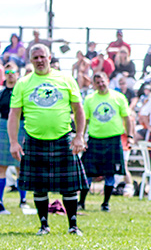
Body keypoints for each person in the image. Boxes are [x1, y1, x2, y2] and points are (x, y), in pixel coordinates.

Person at [8, 44, 88, 236]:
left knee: (69, 187)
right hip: (35, 140)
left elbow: (78, 110)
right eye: (35, 58)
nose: (40, 60)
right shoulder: (23, 83)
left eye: (42, 56)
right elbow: (14, 114)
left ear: (50, 57)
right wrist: (13, 142)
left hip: (63, 138)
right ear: (30, 60)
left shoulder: (65, 79)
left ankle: (73, 225)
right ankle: (43, 225)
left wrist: (79, 136)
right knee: (38, 186)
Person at [80, 72, 133, 212]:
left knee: (111, 173)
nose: (101, 84)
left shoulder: (119, 97)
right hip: (94, 139)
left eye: (102, 81)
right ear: (93, 84)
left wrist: (130, 136)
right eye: (97, 82)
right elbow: (85, 120)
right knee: (88, 172)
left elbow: (127, 118)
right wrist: (81, 136)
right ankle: (82, 202)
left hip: (113, 140)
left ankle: (105, 203)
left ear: (108, 80)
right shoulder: (89, 99)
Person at [0, 61, 27, 213]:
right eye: (7, 73)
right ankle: (0, 202)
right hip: (3, 128)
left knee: (20, 166)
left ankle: (23, 200)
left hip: (21, 127)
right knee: (1, 167)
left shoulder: (23, 92)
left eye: (13, 73)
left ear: (18, 74)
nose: (10, 76)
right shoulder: (2, 94)